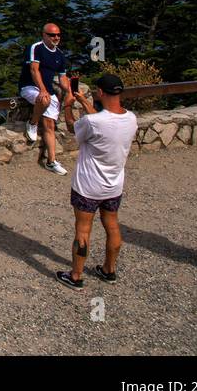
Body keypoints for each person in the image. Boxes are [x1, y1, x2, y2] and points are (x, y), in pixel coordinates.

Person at [56, 74, 137, 289]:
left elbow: (74, 127)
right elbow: (102, 122)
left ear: (100, 93)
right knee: (112, 226)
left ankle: (76, 275)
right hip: (114, 186)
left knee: (83, 230)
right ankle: (109, 270)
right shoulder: (131, 118)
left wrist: (67, 106)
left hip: (88, 187)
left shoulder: (93, 122)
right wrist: (83, 101)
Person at [18, 23, 70, 175]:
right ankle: (33, 123)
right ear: (44, 35)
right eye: (52, 35)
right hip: (29, 86)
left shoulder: (59, 54)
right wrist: (42, 90)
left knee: (50, 125)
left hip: (47, 89)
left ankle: (51, 161)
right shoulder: (36, 48)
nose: (56, 38)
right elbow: (34, 70)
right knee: (44, 100)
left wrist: (72, 92)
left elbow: (62, 79)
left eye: (58, 35)